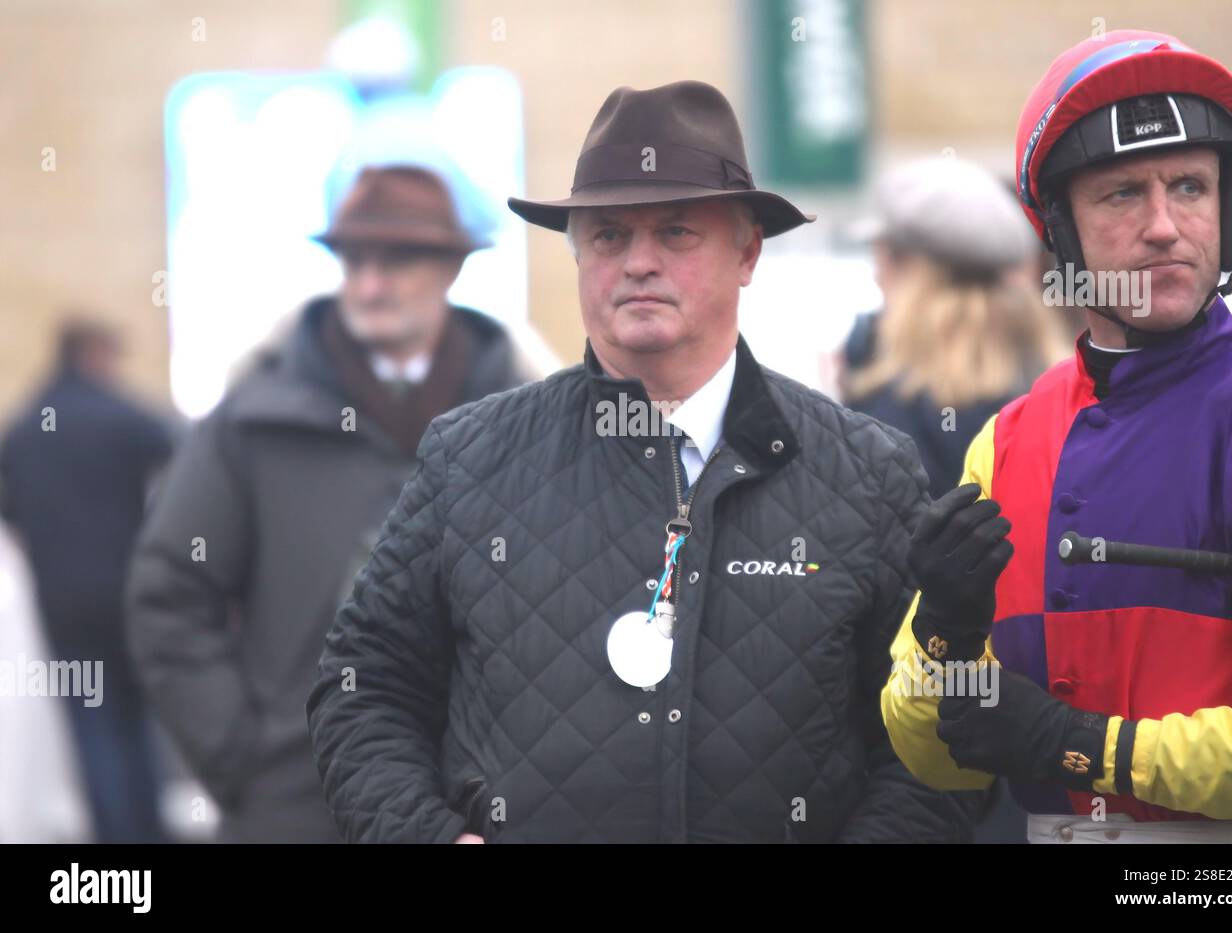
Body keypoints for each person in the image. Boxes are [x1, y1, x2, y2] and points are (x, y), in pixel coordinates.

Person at [307, 80, 985, 844]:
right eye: (608, 236)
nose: (638, 263)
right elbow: (360, 690)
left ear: (748, 252)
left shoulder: (867, 473)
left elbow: (940, 735)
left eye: (675, 232)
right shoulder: (466, 459)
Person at [881, 30, 1232, 843]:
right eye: (1122, 195)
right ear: (1060, 229)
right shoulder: (1004, 440)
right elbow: (937, 762)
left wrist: (1083, 746)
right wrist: (945, 634)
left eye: (1190, 186)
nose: (1165, 226)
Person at [126, 165, 526, 843]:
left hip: (477, 813)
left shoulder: (525, 425)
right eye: (354, 260)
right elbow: (169, 592)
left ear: (452, 269)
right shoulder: (254, 423)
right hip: (294, 811)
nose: (369, 284)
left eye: (397, 260)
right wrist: (243, 757)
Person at [0, 321, 173, 843]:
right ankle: (148, 828)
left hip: (62, 600)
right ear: (94, 353)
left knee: (91, 718)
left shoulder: (26, 426)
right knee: (136, 714)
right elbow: (182, 458)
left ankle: (115, 837)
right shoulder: (121, 416)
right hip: (129, 590)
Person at [841, 156, 1069, 498]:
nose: (876, 275)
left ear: (911, 267)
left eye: (882, 257)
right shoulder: (1061, 387)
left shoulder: (888, 402)